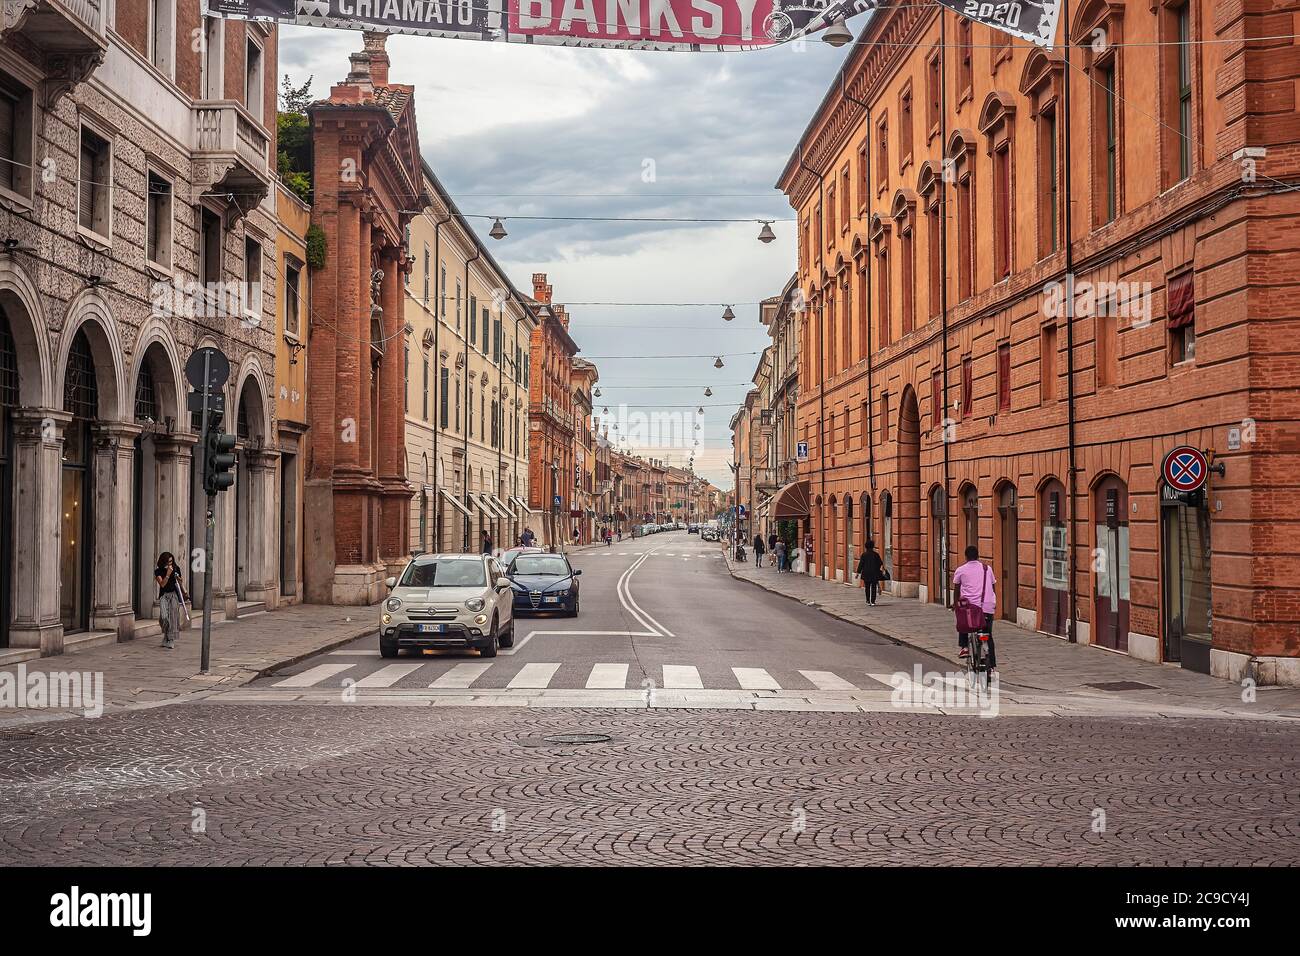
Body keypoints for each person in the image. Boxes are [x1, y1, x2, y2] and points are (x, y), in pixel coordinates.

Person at [952, 545, 997, 669]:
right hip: (987, 606)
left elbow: (956, 590)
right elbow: (993, 587)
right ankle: (992, 665)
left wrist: (955, 604)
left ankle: (964, 647)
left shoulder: (961, 570)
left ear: (966, 557)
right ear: (978, 556)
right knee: (988, 634)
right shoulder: (987, 569)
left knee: (962, 620)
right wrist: (992, 602)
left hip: (970, 608)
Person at [154, 552, 187, 650]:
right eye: (168, 562)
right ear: (163, 562)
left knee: (173, 617)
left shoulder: (176, 569)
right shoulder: (158, 571)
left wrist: (184, 590)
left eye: (171, 561)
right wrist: (168, 574)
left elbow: (180, 583)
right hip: (164, 596)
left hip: (174, 595)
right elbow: (162, 584)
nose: (170, 564)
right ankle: (166, 635)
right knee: (164, 617)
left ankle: (170, 639)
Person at [855, 539, 885, 606]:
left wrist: (857, 573)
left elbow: (861, 564)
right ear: (873, 546)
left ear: (866, 546)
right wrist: (877, 569)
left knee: (867, 587)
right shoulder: (876, 554)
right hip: (874, 573)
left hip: (866, 573)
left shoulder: (864, 555)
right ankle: (873, 601)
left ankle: (868, 601)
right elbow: (880, 563)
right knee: (874, 587)